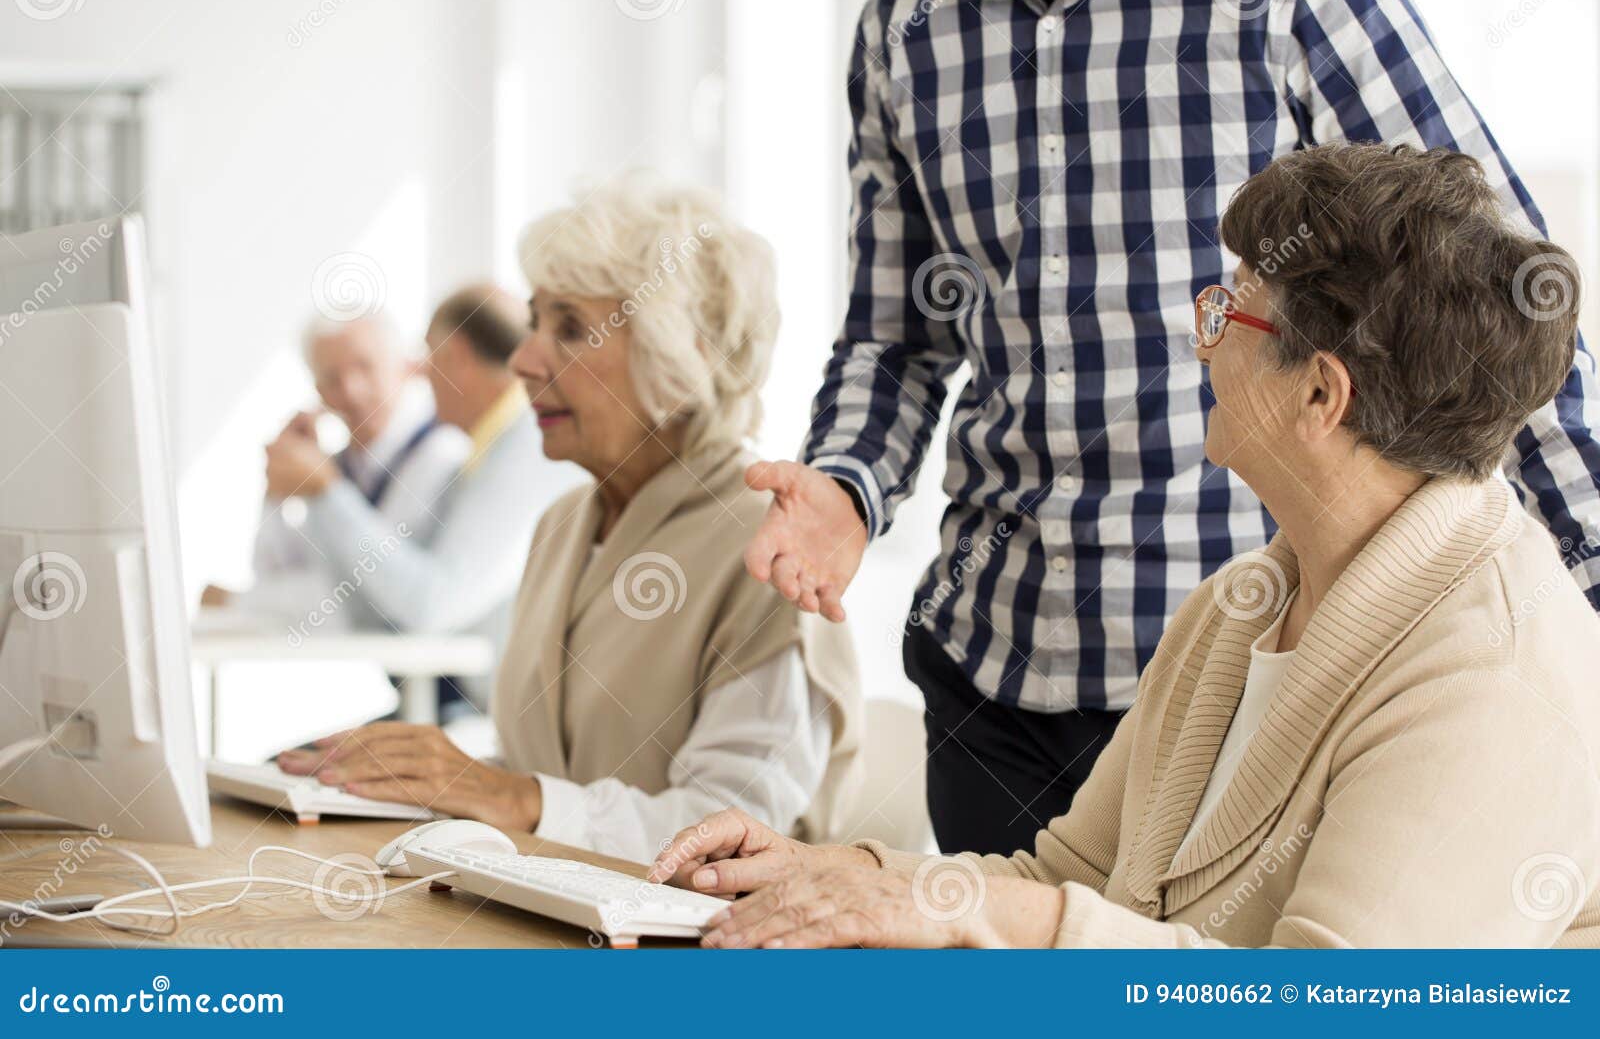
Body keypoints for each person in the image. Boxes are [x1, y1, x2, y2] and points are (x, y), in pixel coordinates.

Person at [742, 0, 1600, 854]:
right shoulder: (905, 26)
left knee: (1197, 1005)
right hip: (991, 669)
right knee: (1007, 997)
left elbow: (1494, 294)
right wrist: (847, 485)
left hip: (1239, 673)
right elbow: (893, 334)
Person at [649, 143, 1600, 948]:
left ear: (1321, 394)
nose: (1202, 340)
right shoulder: (1238, 610)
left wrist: (943, 906)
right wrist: (832, 872)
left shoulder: (1496, 675)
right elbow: (1064, 878)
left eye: (1231, 311)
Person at [277, 176, 862, 864]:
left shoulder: (769, 545)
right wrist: (416, 781)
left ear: (677, 359)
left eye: (571, 328)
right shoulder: (566, 523)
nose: (524, 360)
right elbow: (560, 775)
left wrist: (509, 796)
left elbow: (730, 835)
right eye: (534, 323)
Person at [259, 284, 581, 713]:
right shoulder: (485, 454)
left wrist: (326, 491)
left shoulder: (523, 448)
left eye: (430, 356)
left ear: (457, 357)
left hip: (486, 712)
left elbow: (428, 604)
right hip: (470, 704)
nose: (420, 372)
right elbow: (360, 603)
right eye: (331, 377)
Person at [203, 313, 464, 625]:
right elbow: (276, 575)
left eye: (364, 367)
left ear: (405, 368)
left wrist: (238, 602)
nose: (351, 390)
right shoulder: (336, 468)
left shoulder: (441, 453)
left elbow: (366, 602)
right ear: (318, 391)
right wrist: (276, 492)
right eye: (331, 378)